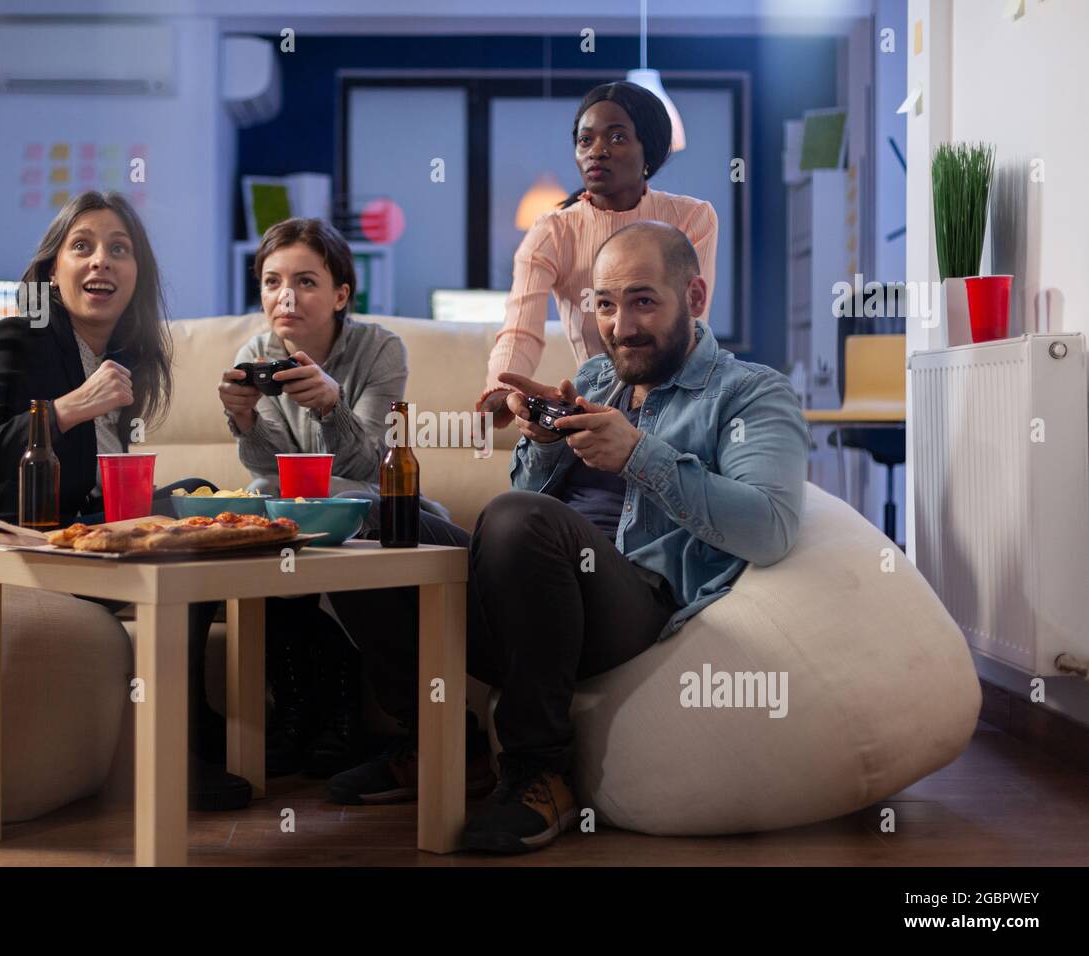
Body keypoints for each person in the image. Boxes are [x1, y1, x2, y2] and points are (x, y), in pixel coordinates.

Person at [325, 221, 809, 853]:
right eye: (605, 305)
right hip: (533, 609)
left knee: (515, 518)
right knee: (368, 517)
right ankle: (442, 744)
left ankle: (539, 771)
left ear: (692, 298)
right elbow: (534, 500)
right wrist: (544, 445)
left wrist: (639, 453)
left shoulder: (750, 393)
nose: (621, 326)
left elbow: (770, 527)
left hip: (634, 602)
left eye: (643, 301)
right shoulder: (599, 380)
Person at [0, 190, 251, 811]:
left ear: (138, 275)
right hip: (12, 547)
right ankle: (180, 748)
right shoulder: (17, 338)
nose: (101, 261)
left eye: (119, 249)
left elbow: (92, 487)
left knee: (200, 530)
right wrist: (70, 409)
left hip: (73, 537)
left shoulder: (123, 357)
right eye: (82, 246)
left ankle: (199, 722)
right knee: (176, 558)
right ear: (54, 269)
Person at [217, 217, 449, 777]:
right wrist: (244, 419)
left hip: (372, 504)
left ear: (341, 293)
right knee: (259, 504)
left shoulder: (379, 349)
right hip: (294, 505)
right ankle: (302, 708)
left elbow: (371, 466)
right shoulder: (259, 349)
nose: (285, 297)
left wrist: (330, 407)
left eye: (306, 282)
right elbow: (271, 470)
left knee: (350, 506)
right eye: (271, 282)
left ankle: (342, 716)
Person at [478, 80, 720, 431]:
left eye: (617, 137)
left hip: (680, 408)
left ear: (648, 151)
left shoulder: (692, 218)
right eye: (585, 140)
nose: (597, 151)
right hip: (594, 408)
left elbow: (692, 324)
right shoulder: (553, 231)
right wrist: (501, 390)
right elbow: (520, 330)